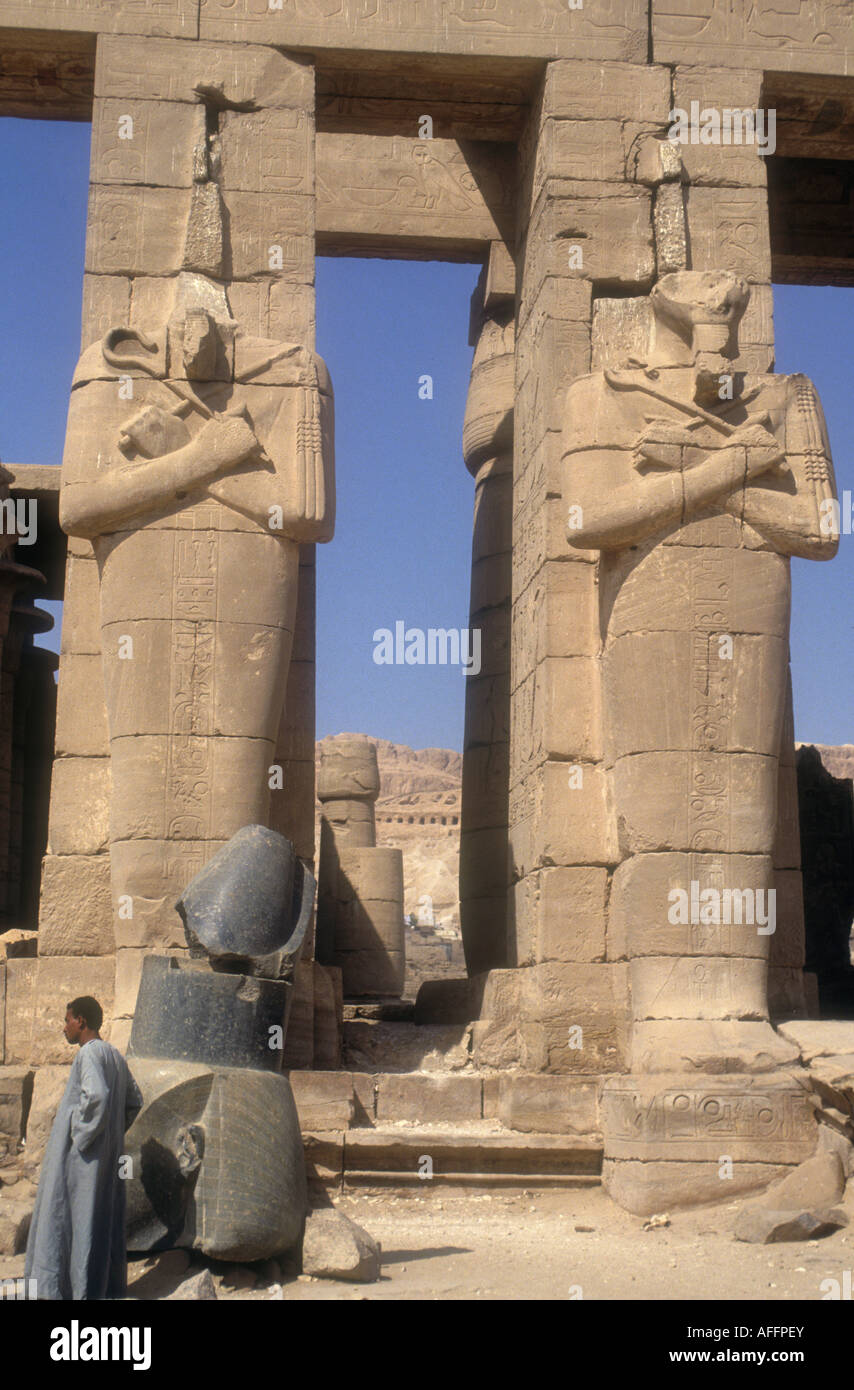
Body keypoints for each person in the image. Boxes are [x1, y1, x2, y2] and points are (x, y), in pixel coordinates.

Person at [25, 996, 143, 1300]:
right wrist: (111, 1135)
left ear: (82, 1022)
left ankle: (62, 1292)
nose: (64, 1027)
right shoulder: (115, 1055)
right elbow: (134, 1100)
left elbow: (98, 1097)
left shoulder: (89, 1054)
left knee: (67, 1220)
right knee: (96, 1223)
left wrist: (79, 1133)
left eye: (68, 1021)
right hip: (104, 1159)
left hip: (81, 1160)